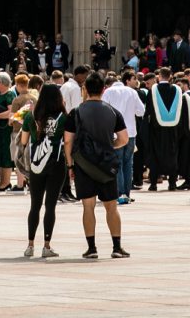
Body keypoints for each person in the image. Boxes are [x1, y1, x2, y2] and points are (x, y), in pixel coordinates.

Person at [64, 70, 129, 259]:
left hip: (84, 165)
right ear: (104, 89)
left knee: (88, 206)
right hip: (106, 165)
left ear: (85, 88)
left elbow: (68, 141)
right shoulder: (112, 111)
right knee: (111, 207)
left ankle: (91, 248)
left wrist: (70, 165)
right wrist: (111, 146)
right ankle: (117, 247)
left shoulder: (76, 112)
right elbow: (124, 138)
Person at [20, 82, 67, 259]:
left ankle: (30, 245)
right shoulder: (63, 117)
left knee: (35, 205)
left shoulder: (31, 116)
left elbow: (24, 141)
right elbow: (68, 141)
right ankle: (46, 245)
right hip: (56, 163)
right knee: (50, 206)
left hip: (36, 165)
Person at [102, 70, 145, 204]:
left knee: (118, 163)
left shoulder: (109, 92)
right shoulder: (132, 92)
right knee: (128, 164)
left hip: (115, 133)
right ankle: (126, 192)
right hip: (131, 133)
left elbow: (103, 109)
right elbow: (141, 111)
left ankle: (119, 193)